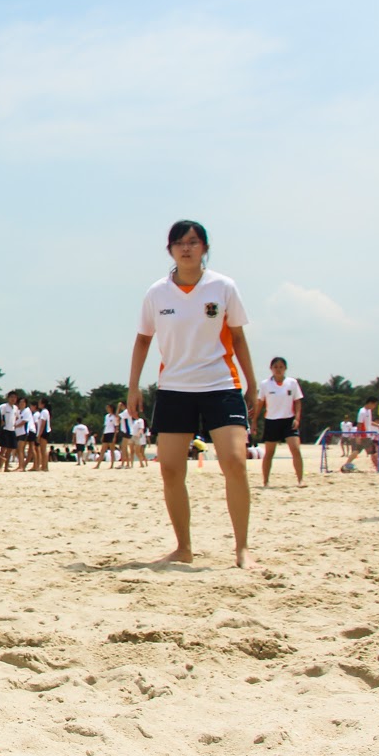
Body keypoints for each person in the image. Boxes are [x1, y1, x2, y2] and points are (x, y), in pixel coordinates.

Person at [129, 220, 256, 568]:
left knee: (234, 462)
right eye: (180, 243)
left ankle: (242, 549)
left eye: (194, 242)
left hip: (220, 384)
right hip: (174, 388)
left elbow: (239, 338)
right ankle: (183, 547)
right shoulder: (157, 293)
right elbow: (143, 340)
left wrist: (253, 385)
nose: (187, 248)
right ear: (170, 249)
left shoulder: (223, 287)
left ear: (204, 248)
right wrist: (133, 387)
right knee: (170, 469)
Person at [251, 356, 304, 486]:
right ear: (271, 369)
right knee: (269, 452)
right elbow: (260, 403)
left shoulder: (292, 383)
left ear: (285, 368)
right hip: (272, 420)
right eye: (276, 367)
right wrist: (254, 421)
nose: (278, 370)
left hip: (289, 420)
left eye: (281, 367)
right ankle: (266, 481)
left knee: (295, 449)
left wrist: (297, 418)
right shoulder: (265, 384)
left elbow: (297, 402)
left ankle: (300, 480)